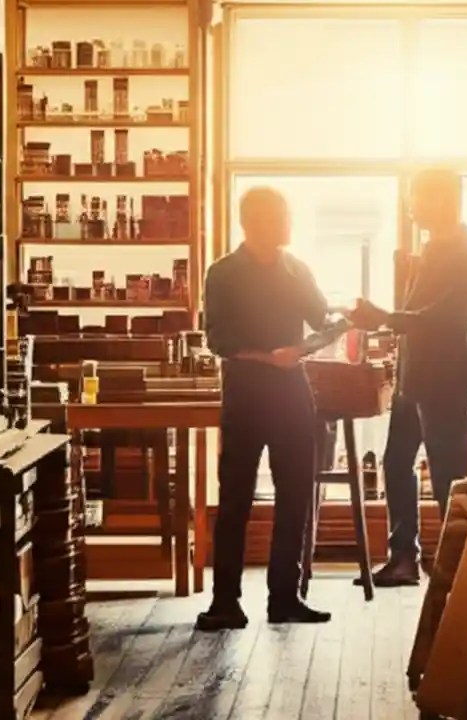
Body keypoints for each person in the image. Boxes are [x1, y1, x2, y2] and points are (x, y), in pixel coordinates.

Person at [196, 186, 333, 631]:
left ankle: (285, 597)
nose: (291, 224)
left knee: (295, 498)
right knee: (235, 499)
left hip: (293, 393)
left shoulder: (297, 270)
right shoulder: (223, 273)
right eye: (284, 216)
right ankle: (225, 603)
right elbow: (217, 339)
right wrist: (268, 357)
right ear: (256, 222)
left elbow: (322, 323)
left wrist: (307, 347)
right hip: (246, 394)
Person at [350, 168, 467, 587]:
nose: (411, 207)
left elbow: (445, 319)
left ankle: (457, 570)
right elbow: (420, 314)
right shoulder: (433, 248)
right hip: (415, 375)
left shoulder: (463, 250)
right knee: (396, 462)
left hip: (441, 378)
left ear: (441, 200)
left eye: (417, 198)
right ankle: (404, 558)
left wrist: (385, 318)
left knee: (446, 474)